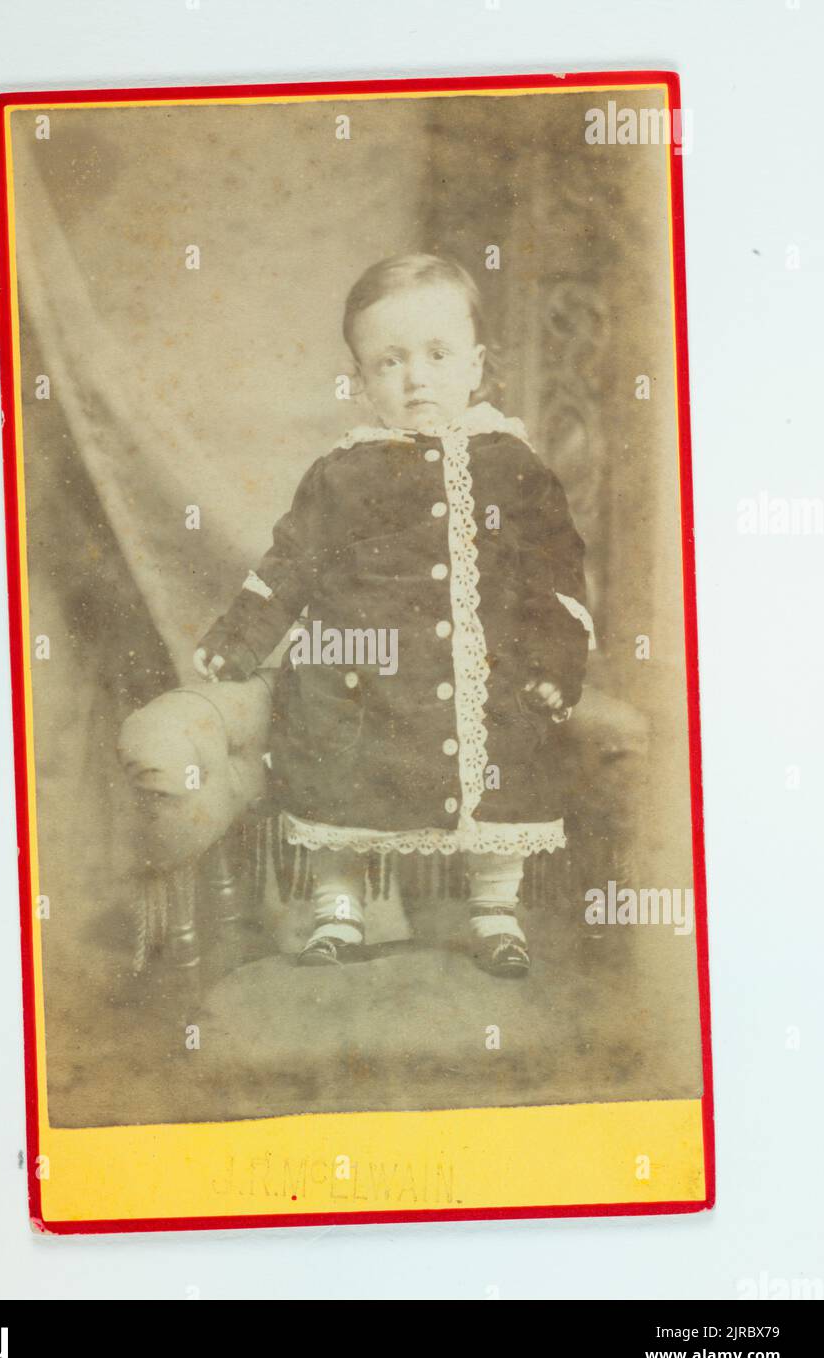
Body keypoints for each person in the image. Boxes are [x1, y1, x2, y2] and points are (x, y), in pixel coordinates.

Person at [195, 253, 593, 976]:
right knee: (335, 771)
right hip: (361, 678)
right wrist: (238, 640)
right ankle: (338, 909)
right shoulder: (341, 473)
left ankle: (496, 909)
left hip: (483, 672)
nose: (415, 378)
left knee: (500, 762)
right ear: (359, 380)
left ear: (475, 366)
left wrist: (556, 664)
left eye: (437, 355)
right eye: (389, 361)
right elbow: (288, 565)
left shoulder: (514, 466)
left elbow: (554, 579)